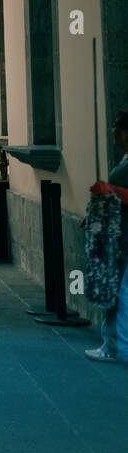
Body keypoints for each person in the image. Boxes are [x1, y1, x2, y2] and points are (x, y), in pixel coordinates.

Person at [86, 111, 128, 363]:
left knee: (119, 293)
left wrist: (111, 190)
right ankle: (113, 344)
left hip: (123, 238)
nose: (112, 133)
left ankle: (115, 346)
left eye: (116, 128)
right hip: (119, 235)